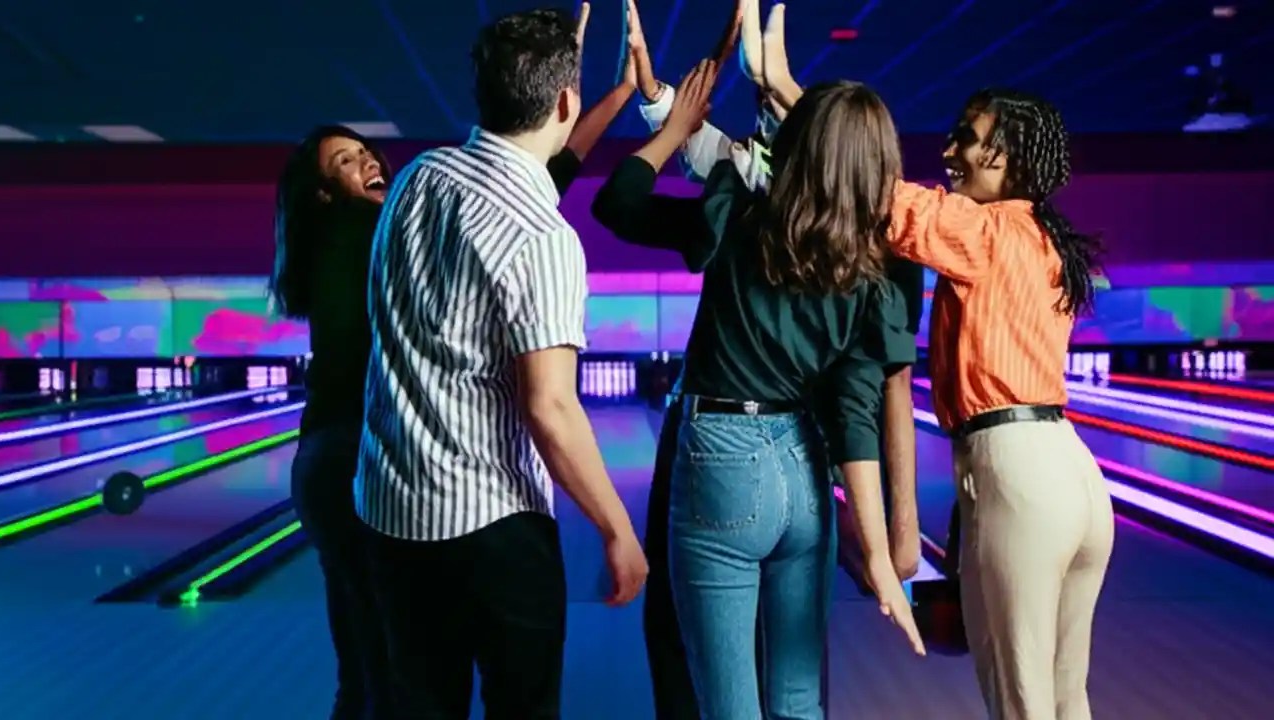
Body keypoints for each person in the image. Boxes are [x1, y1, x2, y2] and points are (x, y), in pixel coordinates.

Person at [759, 8, 1114, 717]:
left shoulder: (981, 231)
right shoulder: (1047, 239)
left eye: (968, 138)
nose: (949, 151)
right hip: (1077, 478)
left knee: (1019, 701)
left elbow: (878, 195)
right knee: (1067, 697)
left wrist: (792, 94)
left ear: (1005, 158)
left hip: (1017, 476)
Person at [593, 62, 926, 720]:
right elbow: (855, 413)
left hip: (722, 458)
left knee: (727, 708)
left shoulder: (740, 214)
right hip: (805, 471)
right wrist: (881, 553)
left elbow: (619, 204)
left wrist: (681, 129)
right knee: (799, 701)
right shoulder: (877, 268)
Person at [354, 8, 648, 719]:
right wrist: (617, 530)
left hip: (390, 515)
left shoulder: (417, 179)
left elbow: (533, 168)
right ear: (563, 102)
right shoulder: (544, 236)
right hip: (492, 529)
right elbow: (550, 407)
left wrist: (596, 93)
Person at [270, 124, 396, 720]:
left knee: (367, 668)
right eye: (346, 160)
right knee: (385, 670)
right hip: (350, 461)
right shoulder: (358, 226)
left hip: (327, 461)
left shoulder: (335, 238)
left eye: (366, 152)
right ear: (324, 191)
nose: (367, 162)